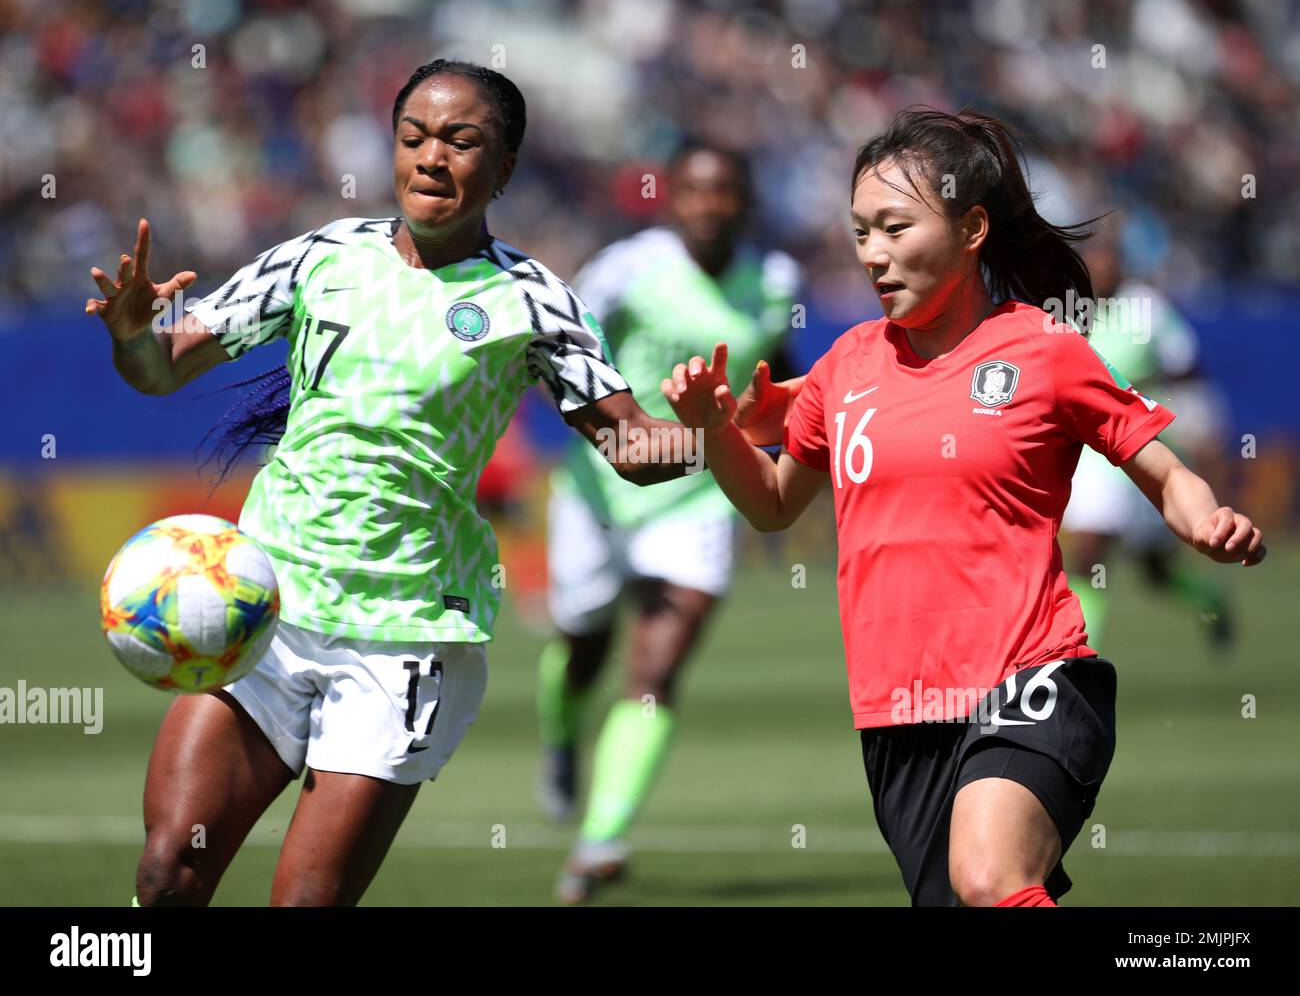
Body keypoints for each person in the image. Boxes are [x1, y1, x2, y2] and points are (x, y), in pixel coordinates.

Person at [85, 58, 698, 907]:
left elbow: (630, 444)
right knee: (167, 872)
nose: (431, 159)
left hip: (403, 636)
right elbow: (159, 370)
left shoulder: (533, 301)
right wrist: (130, 333)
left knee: (305, 903)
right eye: (413, 138)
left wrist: (714, 439)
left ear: (505, 168)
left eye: (460, 141)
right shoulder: (320, 256)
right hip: (263, 610)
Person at [661, 107, 1265, 907]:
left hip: (1033, 677)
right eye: (860, 231)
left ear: (972, 226)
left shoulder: (1044, 350)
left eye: (895, 227)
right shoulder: (848, 365)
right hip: (898, 708)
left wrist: (1204, 519)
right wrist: (712, 431)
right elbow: (773, 504)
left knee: (988, 881)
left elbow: (1156, 463)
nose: (873, 253)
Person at [536, 140, 801, 903]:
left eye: (724, 191)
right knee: (585, 645)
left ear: (745, 202)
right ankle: (561, 739)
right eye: (693, 189)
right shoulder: (627, 270)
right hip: (600, 490)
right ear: (669, 197)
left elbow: (775, 378)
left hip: (697, 495)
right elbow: (560, 348)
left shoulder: (775, 280)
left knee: (654, 672)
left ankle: (599, 840)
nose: (708, 204)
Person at [1061, 232, 1235, 652]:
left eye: (1108, 259)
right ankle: (1083, 653)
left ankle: (1079, 656)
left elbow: (1188, 366)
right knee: (1137, 567)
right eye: (1093, 261)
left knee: (1094, 554)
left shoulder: (1147, 308)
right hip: (1087, 450)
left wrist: (1142, 389)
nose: (1101, 269)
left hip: (1132, 444)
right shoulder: (1068, 308)